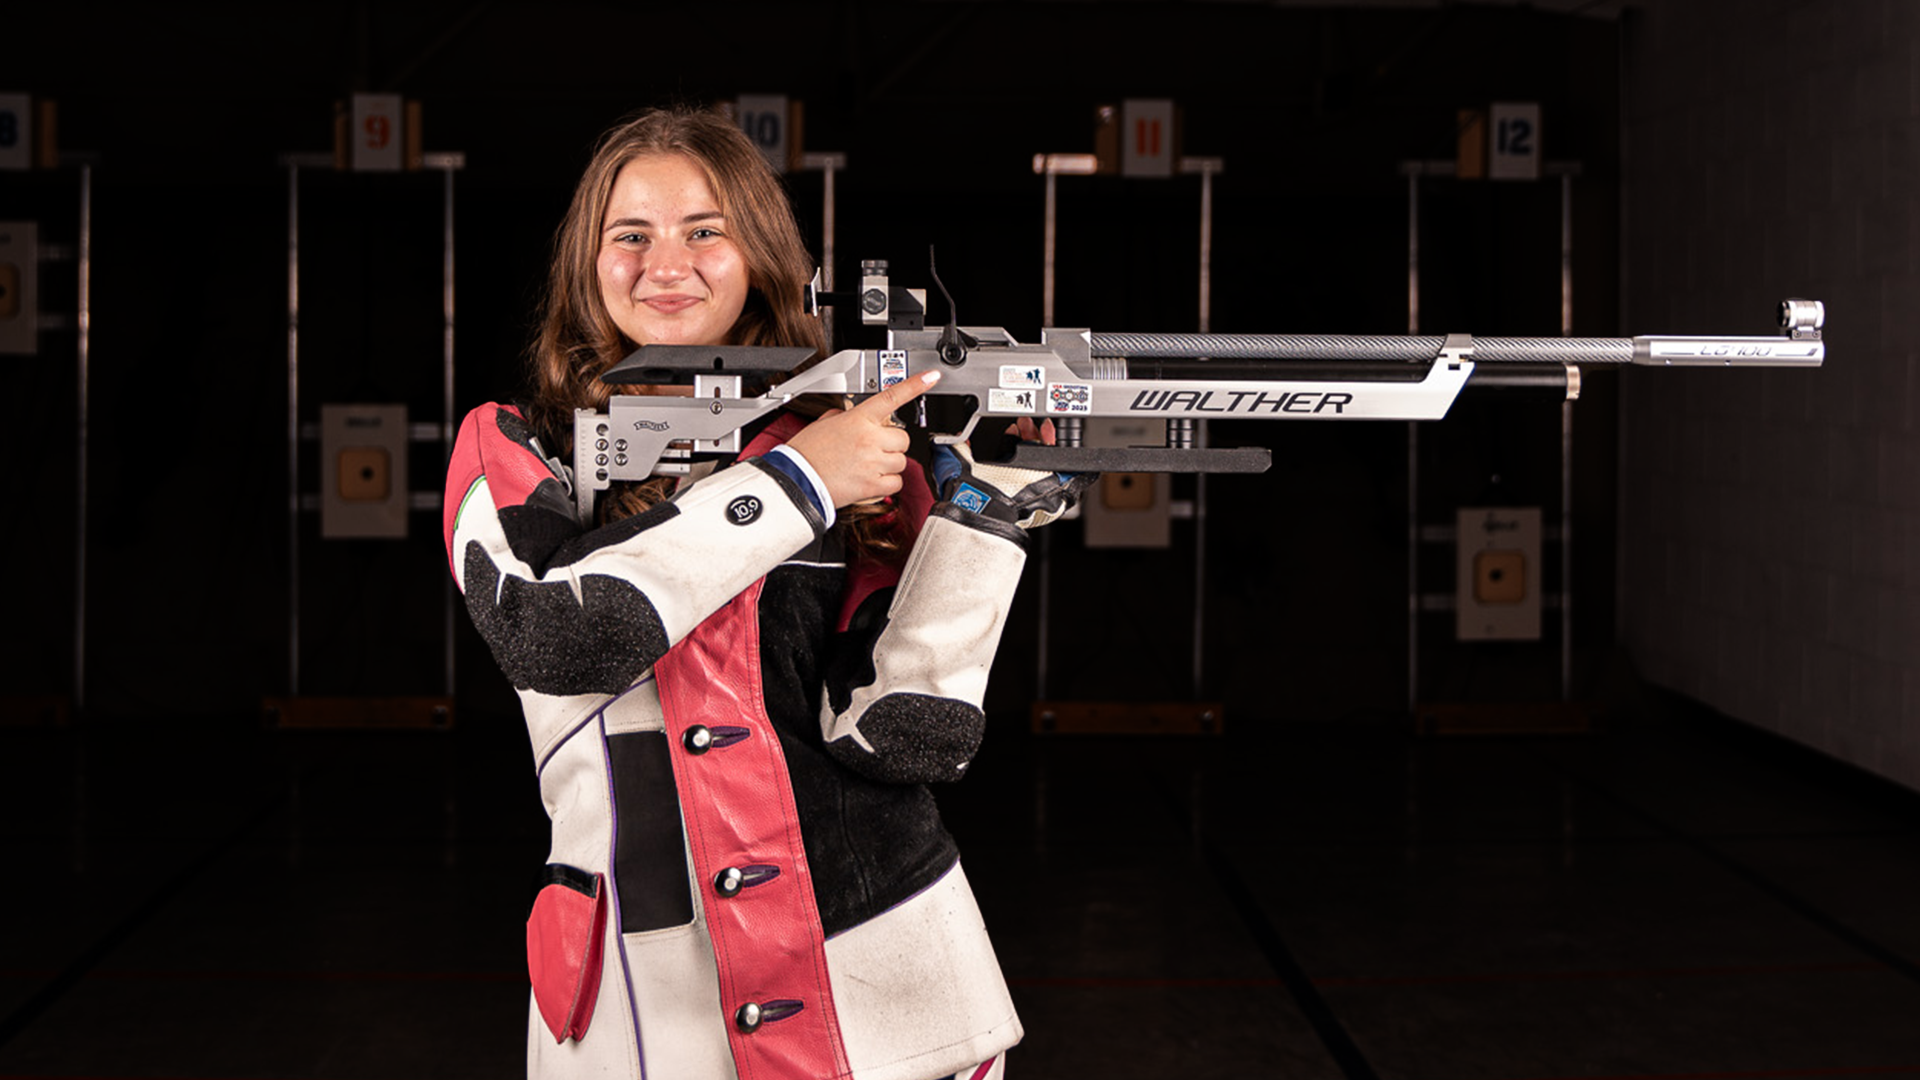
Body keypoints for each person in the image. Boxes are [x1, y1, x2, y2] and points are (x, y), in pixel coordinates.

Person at [442, 106, 1088, 1080]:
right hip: (643, 1011)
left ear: (762, 257)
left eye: (706, 230)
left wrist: (986, 520)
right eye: (632, 234)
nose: (668, 263)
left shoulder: (859, 456)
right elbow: (556, 640)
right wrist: (799, 483)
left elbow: (904, 734)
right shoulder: (518, 445)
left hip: (887, 1005)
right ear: (587, 260)